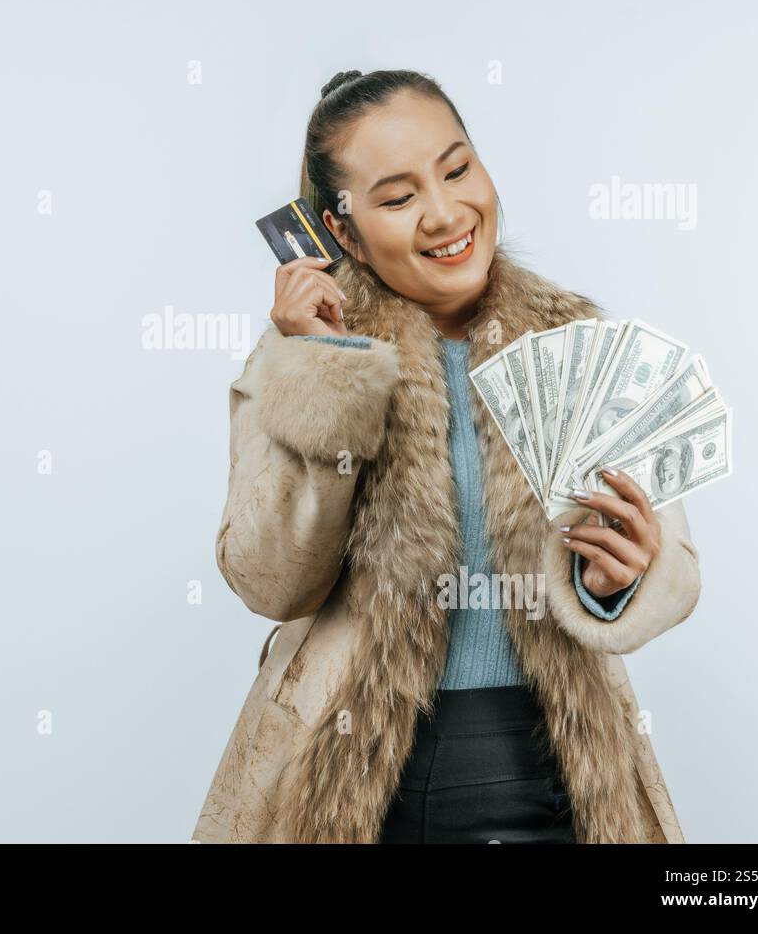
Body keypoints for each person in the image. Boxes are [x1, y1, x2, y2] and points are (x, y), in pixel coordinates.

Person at [192, 69, 702, 844]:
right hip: (358, 776)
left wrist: (615, 582)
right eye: (398, 198)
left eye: (458, 168)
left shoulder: (570, 346)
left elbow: (675, 565)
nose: (445, 212)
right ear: (343, 233)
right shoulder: (302, 358)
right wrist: (325, 372)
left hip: (559, 769)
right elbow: (270, 581)